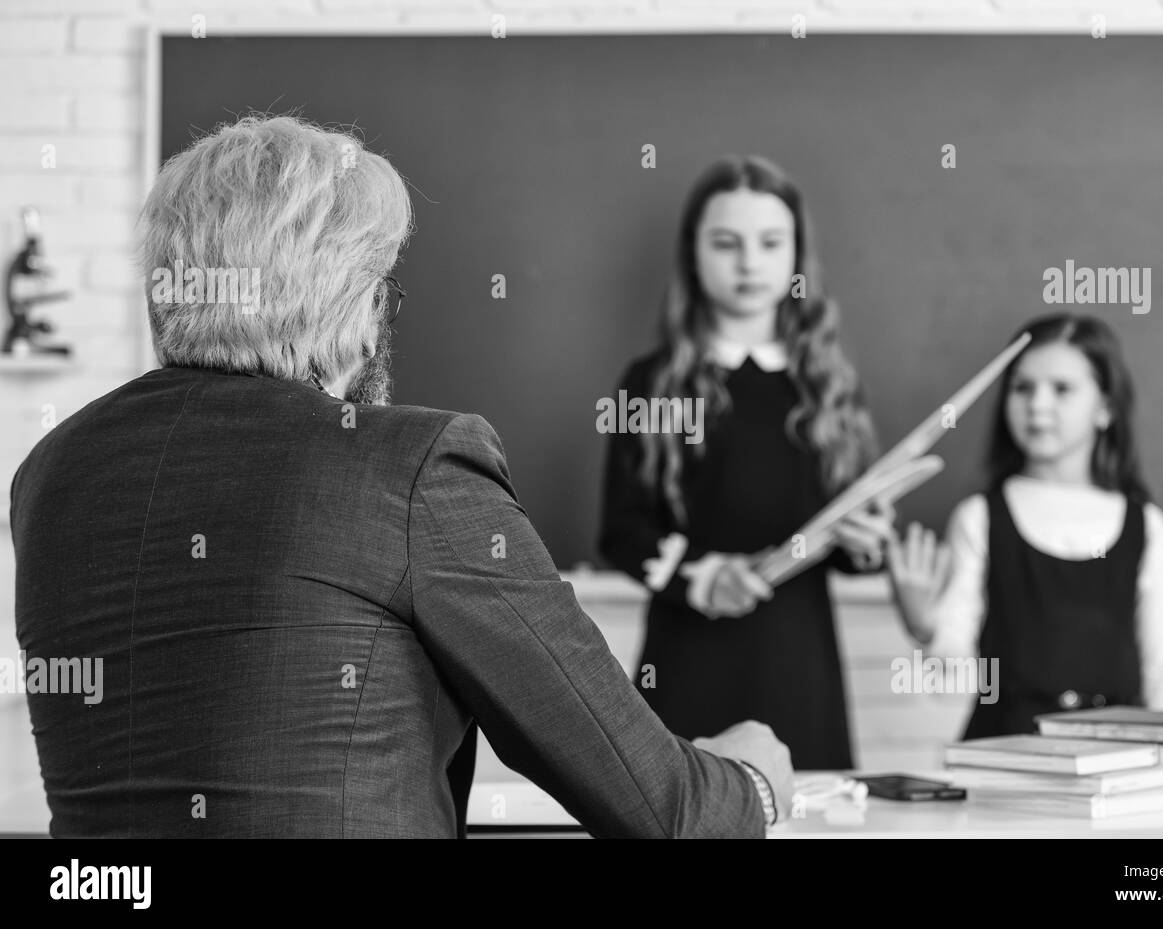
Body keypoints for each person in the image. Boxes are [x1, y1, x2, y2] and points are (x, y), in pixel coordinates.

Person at [9, 115, 794, 838]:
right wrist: (753, 774)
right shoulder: (411, 470)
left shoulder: (51, 472)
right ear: (353, 301)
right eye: (385, 288)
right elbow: (661, 808)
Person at [598, 155, 895, 771]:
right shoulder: (653, 383)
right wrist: (702, 578)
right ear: (693, 254)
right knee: (677, 813)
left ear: (796, 254)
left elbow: (850, 550)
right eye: (726, 243)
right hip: (685, 661)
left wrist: (868, 543)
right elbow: (622, 533)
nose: (750, 262)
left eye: (769, 242)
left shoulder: (827, 384)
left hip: (801, 666)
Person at [888, 313, 1163, 739]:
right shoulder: (980, 517)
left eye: (1062, 389)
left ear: (1105, 408)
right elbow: (950, 682)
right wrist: (924, 627)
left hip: (1117, 765)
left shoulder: (1147, 526)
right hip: (1003, 763)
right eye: (1022, 388)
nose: (1037, 405)